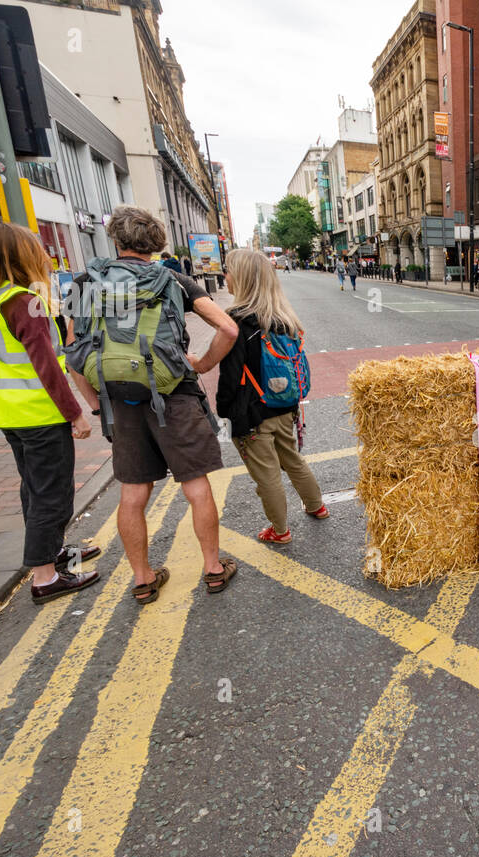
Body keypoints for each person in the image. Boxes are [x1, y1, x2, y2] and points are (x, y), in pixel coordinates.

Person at [67, 206, 239, 604]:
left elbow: (73, 351)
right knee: (196, 486)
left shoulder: (84, 283)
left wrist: (95, 403)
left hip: (121, 402)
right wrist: (203, 364)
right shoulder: (174, 280)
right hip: (174, 393)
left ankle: (143, 578)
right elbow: (228, 328)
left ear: (115, 240)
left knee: (132, 493)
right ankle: (213, 569)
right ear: (156, 242)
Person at [0, 223, 100, 603]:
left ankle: (53, 553)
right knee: (52, 493)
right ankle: (45, 577)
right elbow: (47, 367)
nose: (44, 255)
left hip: (7, 412)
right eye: (36, 249)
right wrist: (76, 414)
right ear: (22, 255)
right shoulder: (22, 301)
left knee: (34, 488)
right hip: (39, 412)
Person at [217, 250, 327, 544]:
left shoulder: (237, 322)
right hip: (286, 407)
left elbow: (230, 377)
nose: (224, 276)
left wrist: (224, 410)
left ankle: (280, 531)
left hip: (253, 413)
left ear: (240, 279)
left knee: (266, 475)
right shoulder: (284, 319)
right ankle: (317, 506)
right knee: (292, 459)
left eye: (228, 271)